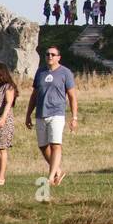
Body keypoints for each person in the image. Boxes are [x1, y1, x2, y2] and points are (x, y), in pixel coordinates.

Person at [26, 44, 77, 186]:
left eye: (53, 54)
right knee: (42, 146)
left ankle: (50, 177)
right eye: (47, 54)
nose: (49, 56)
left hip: (57, 113)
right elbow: (34, 95)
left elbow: (72, 96)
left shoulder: (65, 73)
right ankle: (58, 171)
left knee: (55, 145)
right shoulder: (40, 72)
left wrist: (74, 117)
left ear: (58, 57)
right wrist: (28, 114)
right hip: (41, 113)